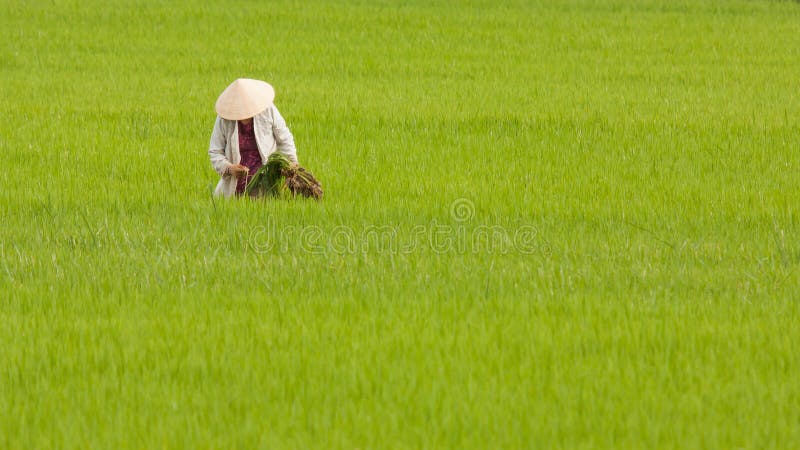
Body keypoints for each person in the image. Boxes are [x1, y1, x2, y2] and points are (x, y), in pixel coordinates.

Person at [209, 78, 299, 197]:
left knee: (262, 211)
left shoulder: (268, 111)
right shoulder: (224, 119)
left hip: (265, 181)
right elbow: (215, 152)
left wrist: (292, 163)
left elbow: (284, 139)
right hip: (234, 186)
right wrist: (229, 168)